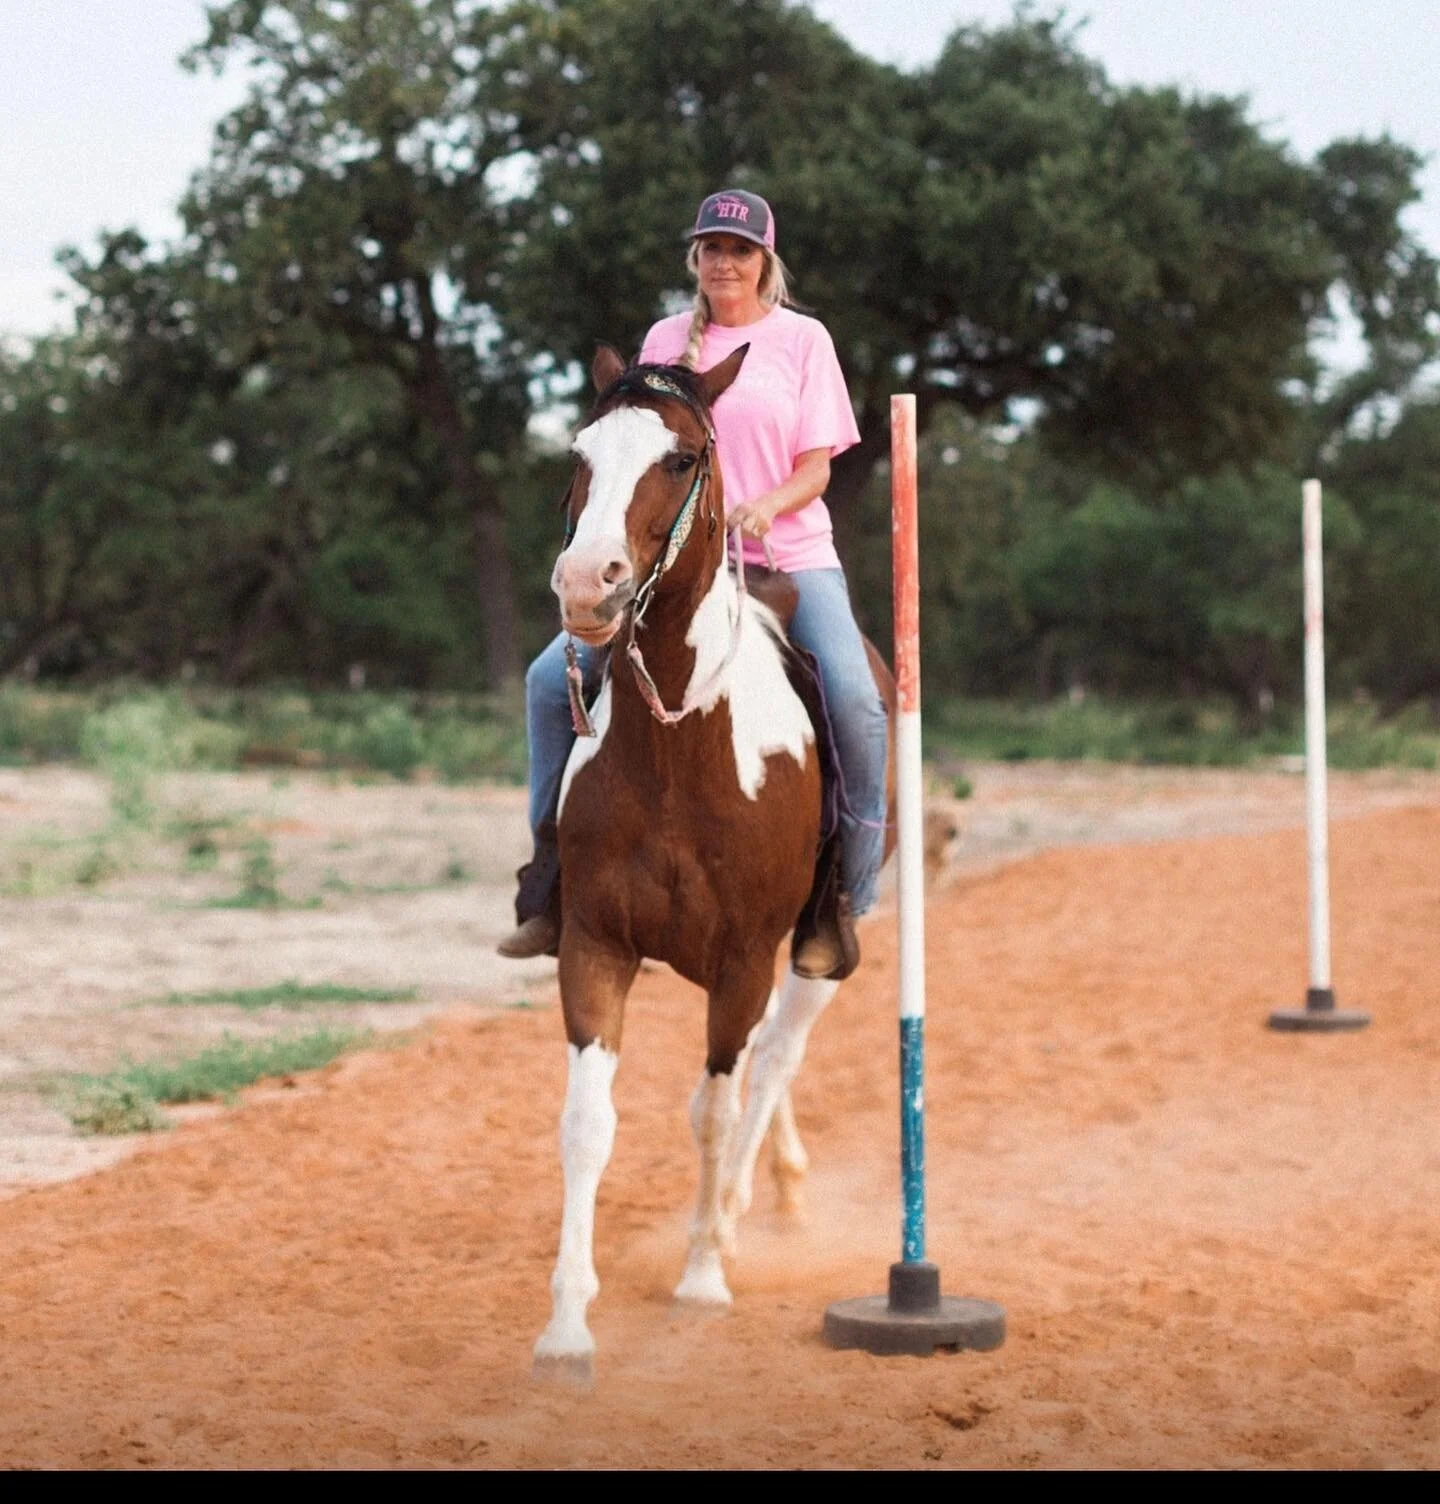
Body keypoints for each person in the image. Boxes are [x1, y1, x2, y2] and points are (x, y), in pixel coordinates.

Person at [498, 188, 889, 978]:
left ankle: (843, 896)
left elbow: (817, 466)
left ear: (764, 261)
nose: (724, 263)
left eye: (739, 250)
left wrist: (765, 505)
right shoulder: (665, 339)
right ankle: (550, 879)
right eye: (711, 249)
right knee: (550, 681)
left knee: (853, 696)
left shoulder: (803, 341)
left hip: (789, 556)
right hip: (675, 569)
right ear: (696, 259)